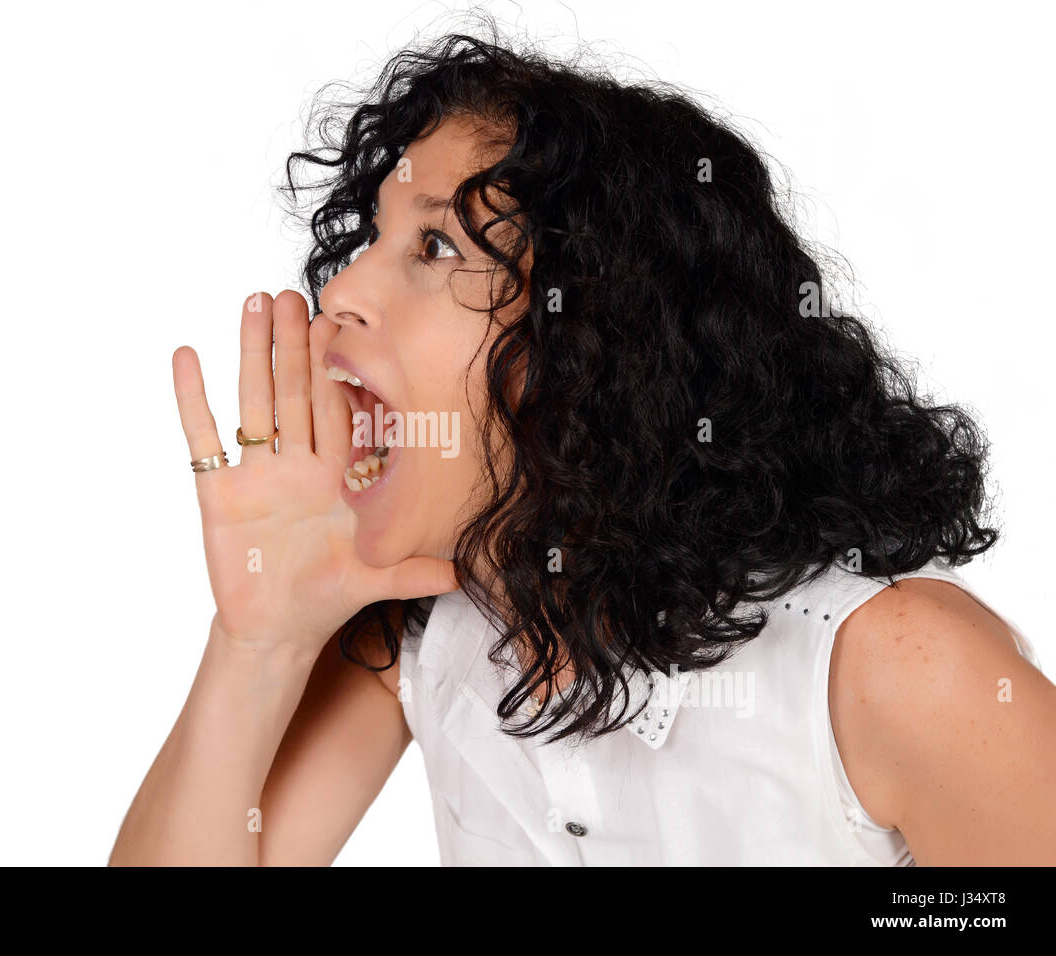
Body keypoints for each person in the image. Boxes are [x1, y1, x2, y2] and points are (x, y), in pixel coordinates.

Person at [109, 25, 1056, 866]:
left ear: (599, 337)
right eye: (369, 238)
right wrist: (257, 642)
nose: (342, 289)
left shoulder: (897, 667)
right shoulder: (421, 629)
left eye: (436, 246)